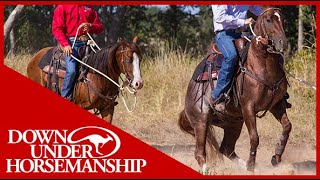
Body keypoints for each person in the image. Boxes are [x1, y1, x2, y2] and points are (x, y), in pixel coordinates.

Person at [211, 5, 291, 111]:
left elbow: (255, 8)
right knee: (231, 56)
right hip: (224, 34)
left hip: (242, 34)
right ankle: (218, 95)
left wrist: (267, 14)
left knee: (274, 53)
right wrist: (242, 22)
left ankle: (279, 93)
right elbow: (219, 17)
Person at [52, 5, 104, 100]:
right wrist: (65, 44)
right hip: (71, 43)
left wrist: (91, 26)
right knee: (72, 71)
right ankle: (65, 96)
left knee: (102, 68)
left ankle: (103, 97)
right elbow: (57, 29)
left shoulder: (90, 8)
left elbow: (100, 27)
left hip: (88, 43)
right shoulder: (62, 7)